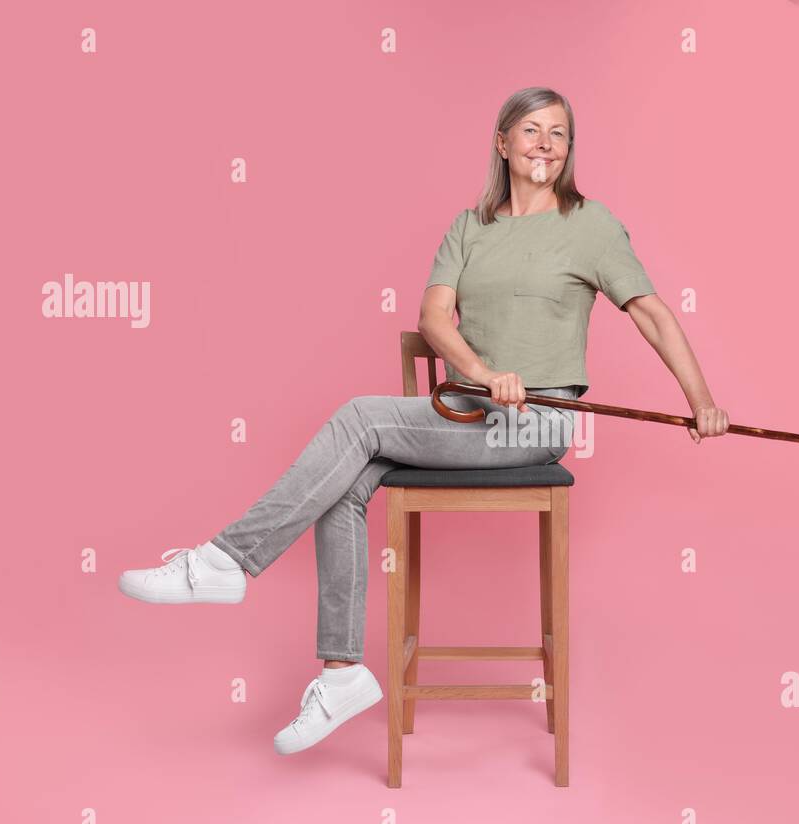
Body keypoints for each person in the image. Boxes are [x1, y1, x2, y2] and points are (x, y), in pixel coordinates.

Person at [118, 87, 730, 756]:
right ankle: (343, 672)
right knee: (349, 476)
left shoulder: (590, 224)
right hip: (469, 408)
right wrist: (482, 368)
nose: (545, 144)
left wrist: (701, 399)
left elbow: (651, 312)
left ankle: (226, 562)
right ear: (502, 142)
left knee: (357, 420)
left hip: (540, 421)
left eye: (559, 133)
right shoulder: (470, 226)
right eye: (531, 130)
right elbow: (435, 319)